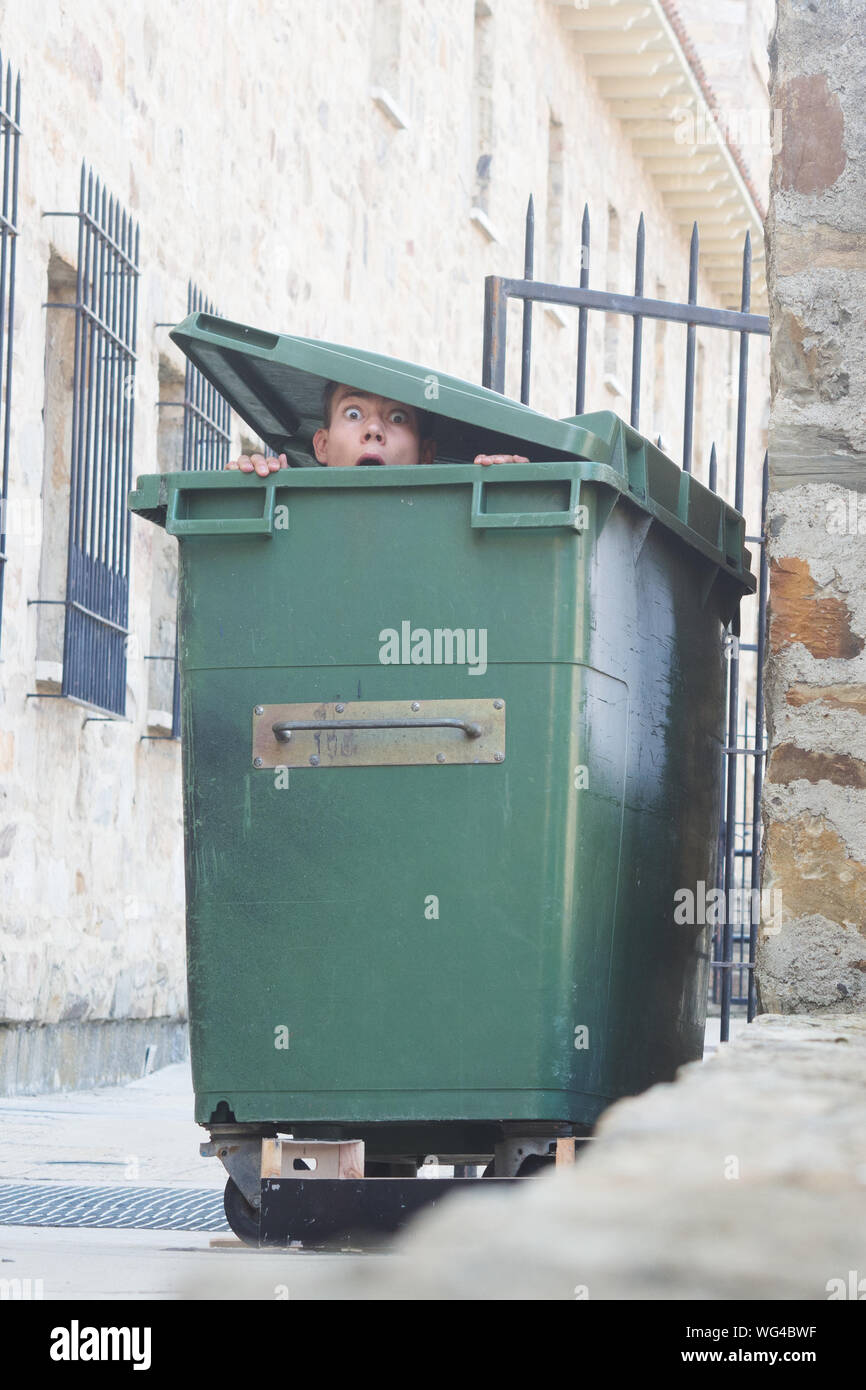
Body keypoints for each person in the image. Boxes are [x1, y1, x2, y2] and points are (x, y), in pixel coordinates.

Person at [225, 381, 528, 474]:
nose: (373, 429)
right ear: (322, 445)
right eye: (354, 413)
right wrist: (248, 487)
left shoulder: (452, 521)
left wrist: (515, 488)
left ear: (425, 453)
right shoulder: (287, 513)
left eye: (397, 418)